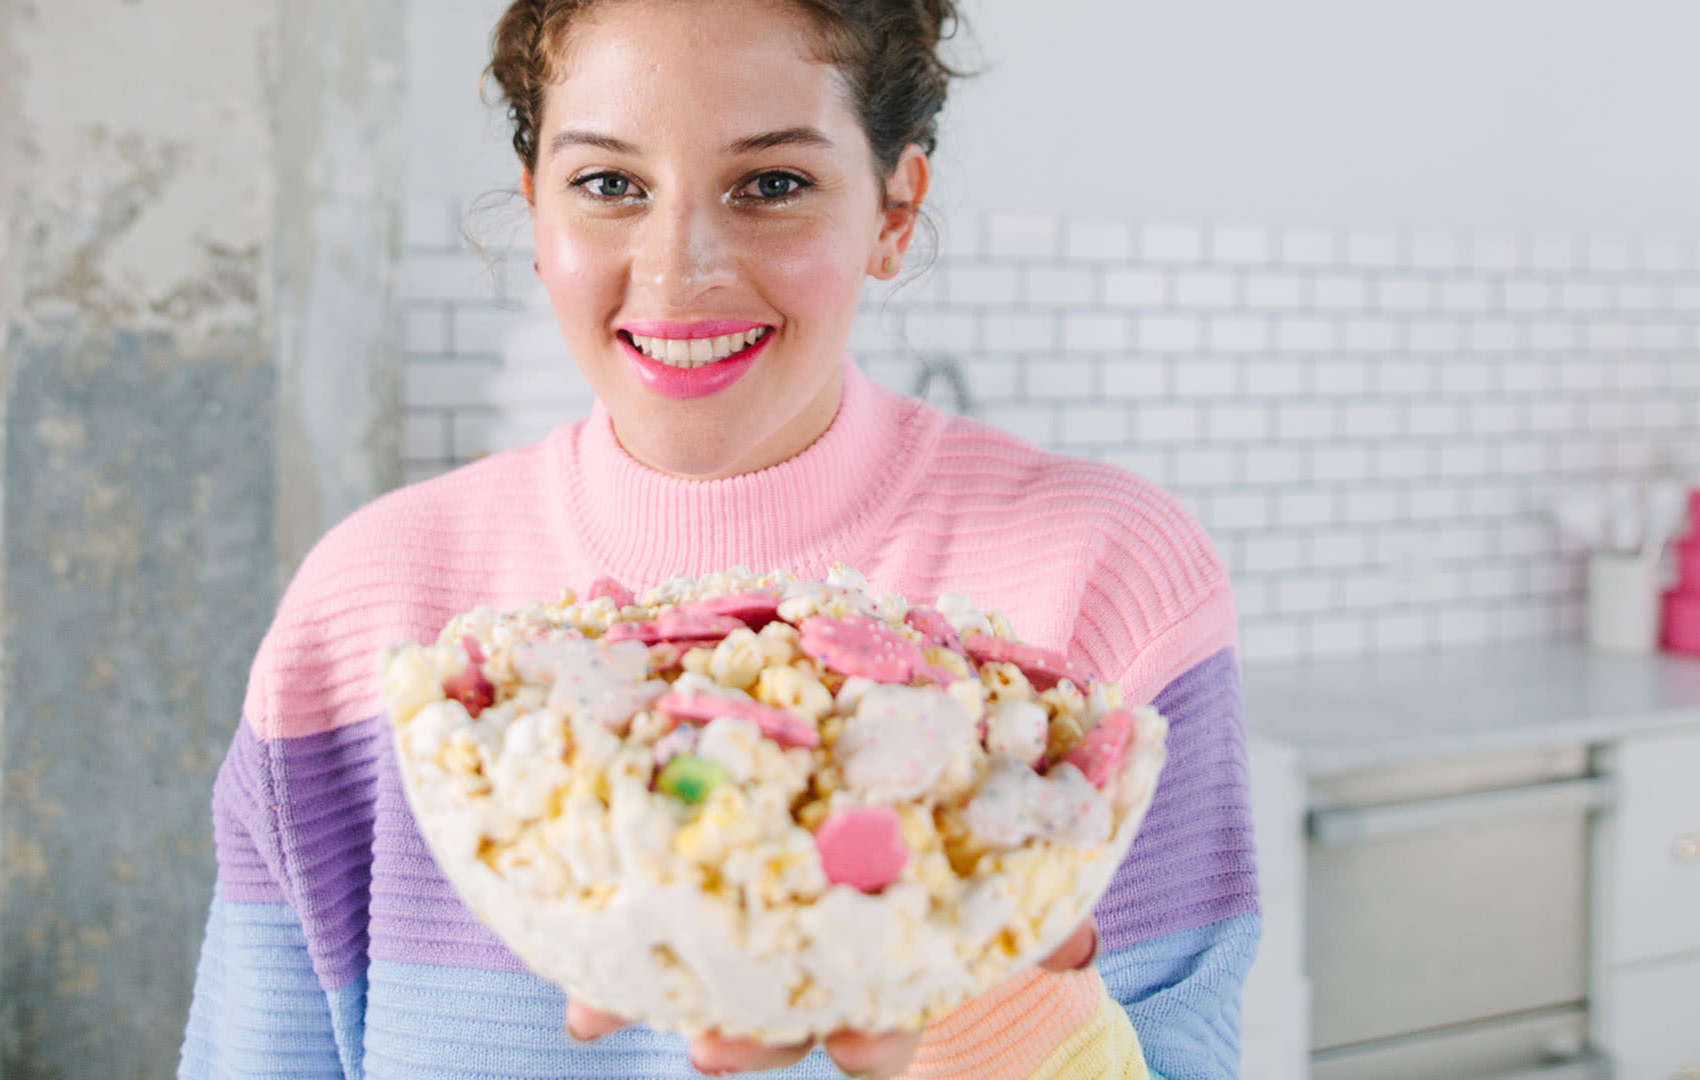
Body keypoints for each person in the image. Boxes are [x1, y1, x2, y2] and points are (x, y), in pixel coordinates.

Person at [178, 0, 1259, 1077]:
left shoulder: (1105, 583)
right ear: (536, 209)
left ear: (893, 213)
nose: (677, 271)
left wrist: (960, 948)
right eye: (609, 185)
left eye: (773, 184)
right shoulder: (369, 612)